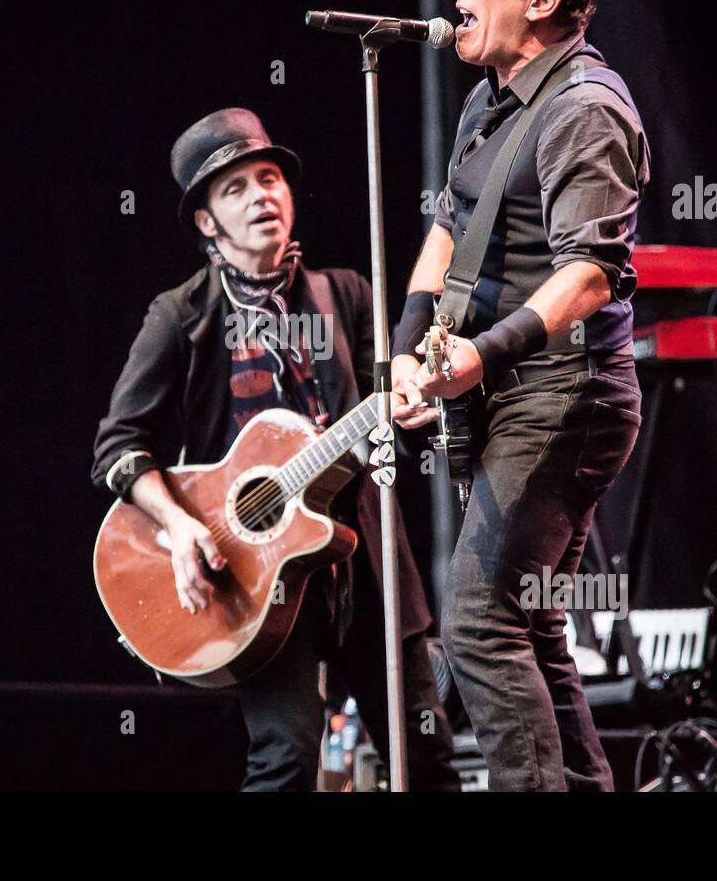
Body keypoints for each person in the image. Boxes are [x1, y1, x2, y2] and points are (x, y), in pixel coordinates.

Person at [93, 108, 458, 791]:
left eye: (270, 178)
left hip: (366, 566)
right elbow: (117, 445)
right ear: (206, 221)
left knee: (429, 758)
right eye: (235, 188)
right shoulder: (183, 316)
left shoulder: (343, 293)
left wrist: (414, 397)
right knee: (286, 759)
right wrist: (179, 528)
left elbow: (403, 393)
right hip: (254, 582)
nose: (263, 194)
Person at [391, 0, 650, 791]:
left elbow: (590, 275)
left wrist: (479, 354)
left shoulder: (583, 108)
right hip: (516, 394)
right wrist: (404, 346)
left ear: (541, 0)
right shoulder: (486, 102)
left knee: (477, 620)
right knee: (529, 622)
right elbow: (445, 231)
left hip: (565, 397)